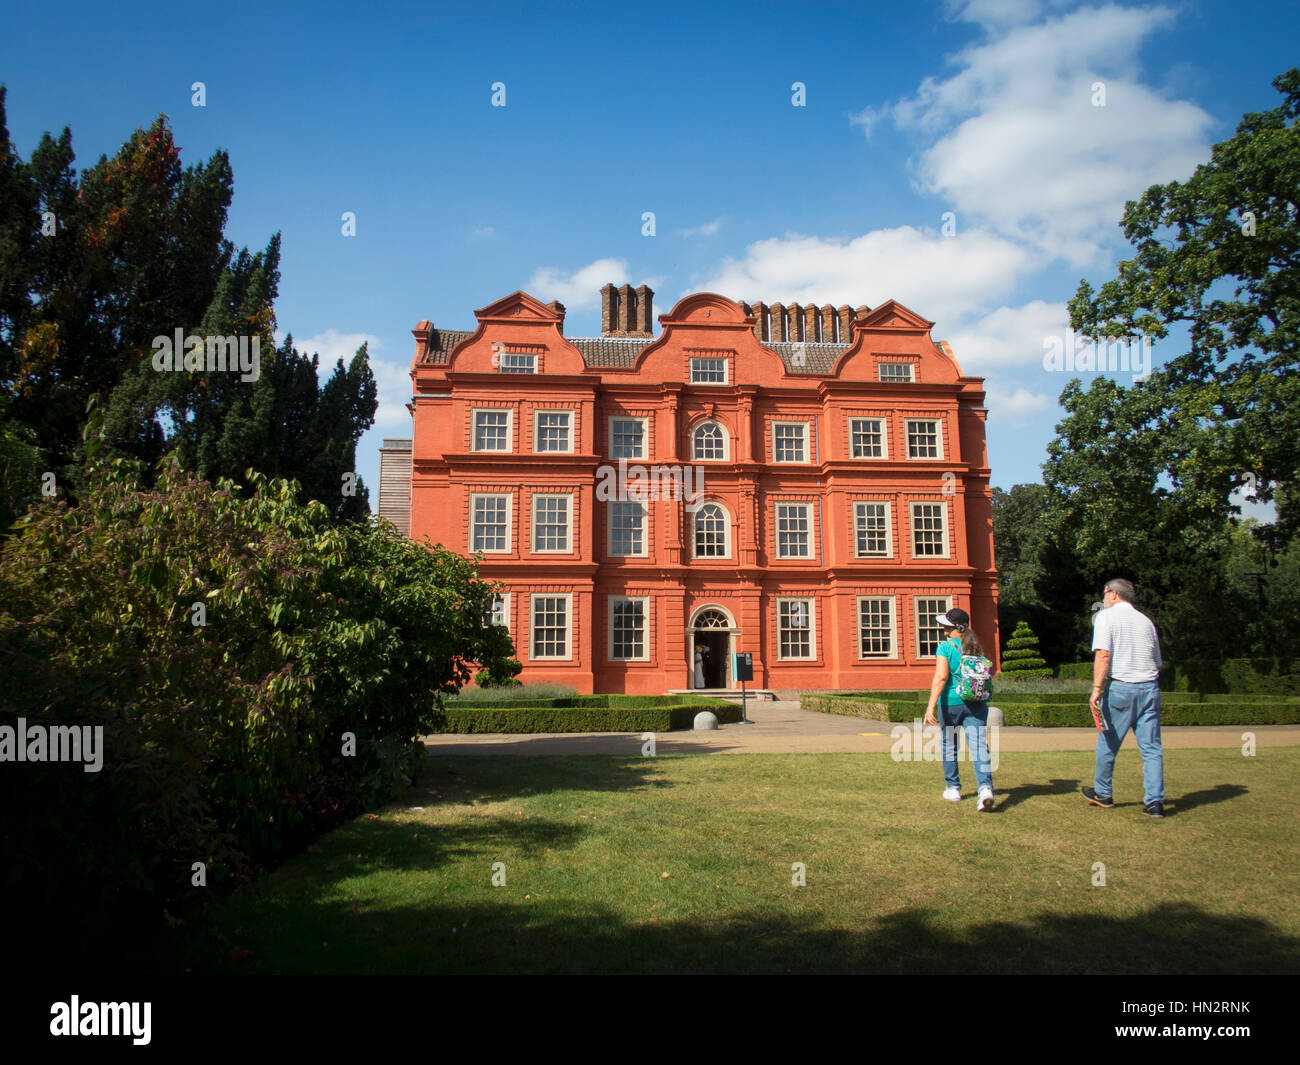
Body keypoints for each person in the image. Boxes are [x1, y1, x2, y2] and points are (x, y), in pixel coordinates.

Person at [1083, 578, 1165, 817]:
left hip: (1122, 688)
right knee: (1151, 748)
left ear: (1113, 594)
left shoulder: (1106, 617)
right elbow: (1158, 664)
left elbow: (1104, 654)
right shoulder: (1146, 622)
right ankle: (1155, 803)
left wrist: (1096, 688)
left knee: (1108, 742)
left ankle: (1103, 793)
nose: (1104, 597)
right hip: (1150, 688)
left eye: (1105, 592)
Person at [922, 607, 995, 811]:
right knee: (979, 747)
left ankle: (953, 788)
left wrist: (931, 705)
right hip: (977, 702)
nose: (942, 626)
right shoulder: (975, 647)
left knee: (949, 746)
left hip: (952, 702)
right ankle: (985, 788)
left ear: (953, 628)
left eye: (946, 623)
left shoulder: (945, 648)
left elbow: (941, 677)